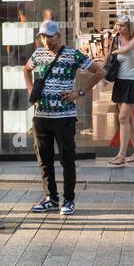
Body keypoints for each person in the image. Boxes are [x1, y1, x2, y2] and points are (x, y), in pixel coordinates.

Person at [23, 20, 102, 217]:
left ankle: (68, 199)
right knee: (44, 159)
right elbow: (26, 69)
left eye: (49, 36)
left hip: (64, 116)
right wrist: (32, 92)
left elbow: (99, 72)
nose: (46, 40)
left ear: (59, 35)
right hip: (41, 116)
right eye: (42, 36)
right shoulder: (38, 53)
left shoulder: (72, 54)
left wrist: (80, 92)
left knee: (67, 158)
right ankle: (50, 198)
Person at [109, 14, 134, 165]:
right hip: (121, 82)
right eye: (118, 25)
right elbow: (112, 59)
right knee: (128, 119)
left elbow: (127, 49)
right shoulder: (117, 40)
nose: (119, 28)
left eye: (123, 25)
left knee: (123, 118)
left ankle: (122, 155)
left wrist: (117, 51)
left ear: (130, 26)